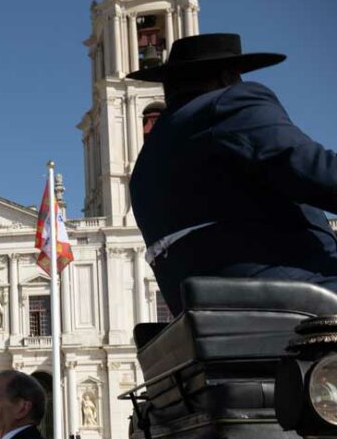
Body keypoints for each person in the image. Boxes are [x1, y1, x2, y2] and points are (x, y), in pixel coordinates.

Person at [129, 33, 337, 315]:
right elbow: (316, 171)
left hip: (204, 309)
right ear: (228, 78)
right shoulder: (231, 103)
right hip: (294, 288)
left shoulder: (145, 164)